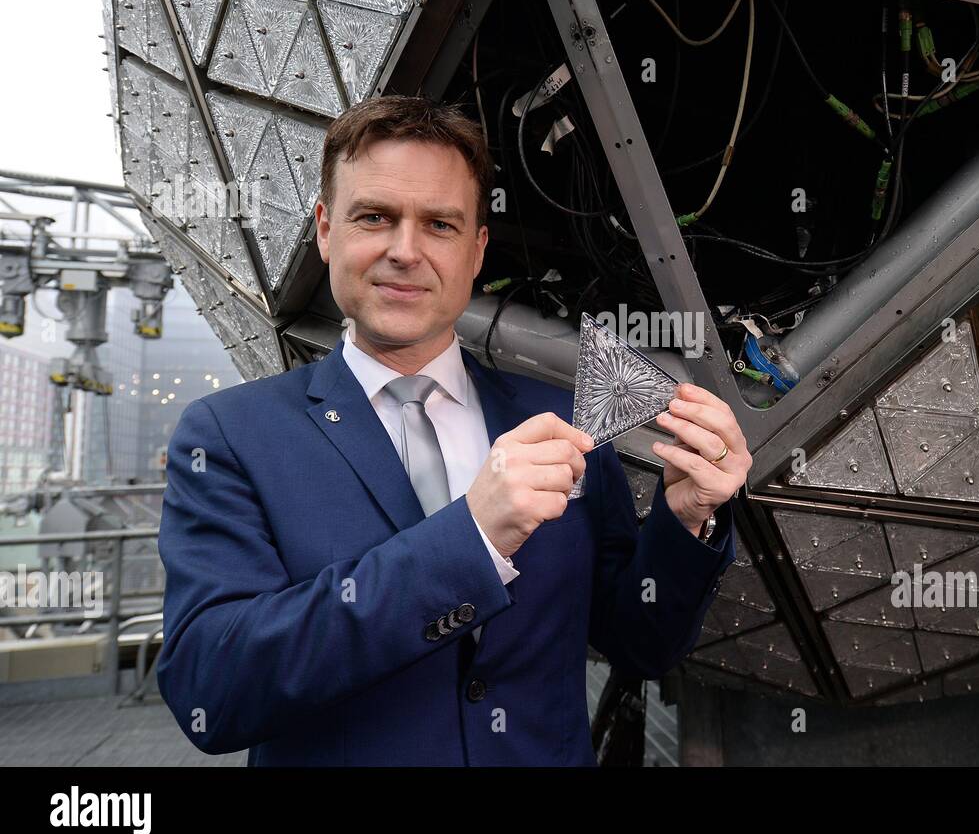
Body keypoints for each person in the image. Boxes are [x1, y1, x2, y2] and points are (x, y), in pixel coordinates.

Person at [155, 95, 751, 765]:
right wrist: (470, 539)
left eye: (440, 224)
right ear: (325, 230)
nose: (405, 251)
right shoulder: (231, 436)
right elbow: (213, 687)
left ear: (477, 249)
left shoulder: (561, 418)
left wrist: (685, 515)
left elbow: (641, 643)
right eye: (375, 216)